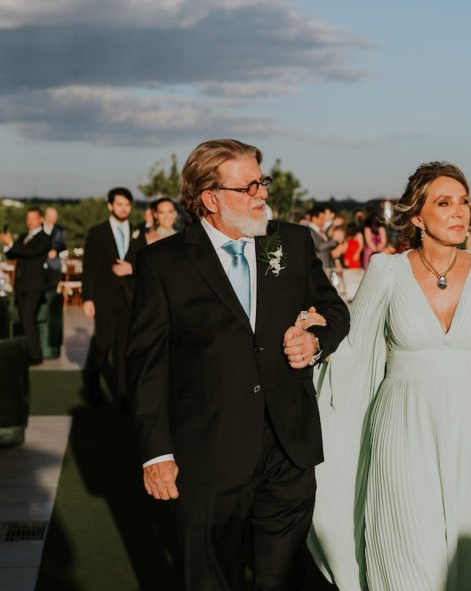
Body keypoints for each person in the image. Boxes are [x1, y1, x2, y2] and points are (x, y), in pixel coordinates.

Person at [308, 162, 471, 591]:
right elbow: (352, 351)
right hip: (402, 432)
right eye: (444, 202)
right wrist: (317, 338)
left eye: (464, 202)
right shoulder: (386, 271)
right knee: (406, 551)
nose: (459, 212)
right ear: (416, 216)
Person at [127, 139, 350, 590]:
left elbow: (335, 310)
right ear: (210, 198)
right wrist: (157, 452)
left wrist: (316, 342)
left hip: (288, 446)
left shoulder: (286, 242)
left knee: (281, 578)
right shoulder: (162, 262)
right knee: (211, 578)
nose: (261, 194)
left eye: (261, 182)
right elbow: (146, 365)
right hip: (207, 451)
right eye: (248, 186)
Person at [81, 187, 146, 405]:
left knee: (124, 347)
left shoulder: (138, 232)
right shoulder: (96, 232)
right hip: (104, 298)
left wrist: (131, 268)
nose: (124, 208)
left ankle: (123, 394)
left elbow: (145, 262)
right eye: (119, 204)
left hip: (129, 298)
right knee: (103, 342)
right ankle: (91, 384)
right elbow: (88, 268)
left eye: (127, 204)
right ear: (110, 206)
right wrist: (87, 298)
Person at [1, 208, 53, 364]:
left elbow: (30, 252)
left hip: (34, 285)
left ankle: (35, 355)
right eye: (28, 219)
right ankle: (28, 352)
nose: (30, 222)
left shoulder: (44, 238)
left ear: (41, 219)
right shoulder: (24, 237)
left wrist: (11, 243)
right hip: (21, 285)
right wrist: (7, 244)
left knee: (29, 319)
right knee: (24, 319)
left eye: (33, 218)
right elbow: (13, 254)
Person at [43, 207, 68, 291]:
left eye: (55, 216)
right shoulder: (39, 228)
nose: (53, 218)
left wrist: (56, 251)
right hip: (40, 264)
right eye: (51, 216)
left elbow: (63, 245)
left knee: (52, 290)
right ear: (45, 216)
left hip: (54, 265)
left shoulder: (60, 230)